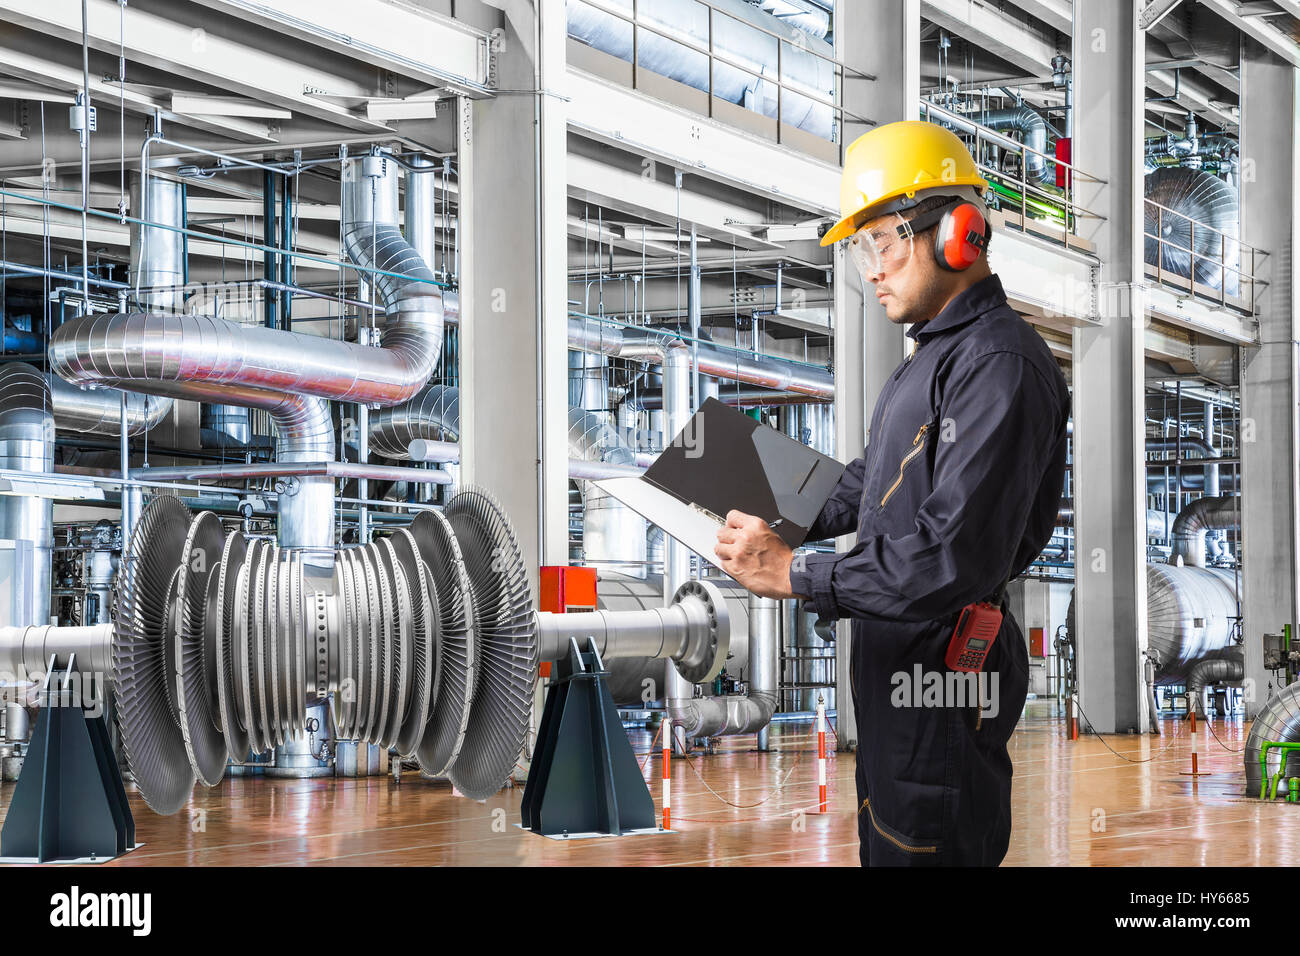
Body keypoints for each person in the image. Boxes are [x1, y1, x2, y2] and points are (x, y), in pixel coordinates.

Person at [714, 120, 1070, 866]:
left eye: (882, 241)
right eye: (863, 250)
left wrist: (795, 572)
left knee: (923, 850)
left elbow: (954, 554)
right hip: (895, 668)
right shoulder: (930, 364)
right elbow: (870, 487)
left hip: (942, 674)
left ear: (958, 233)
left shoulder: (998, 366)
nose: (872, 269)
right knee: (889, 844)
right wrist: (734, 478)